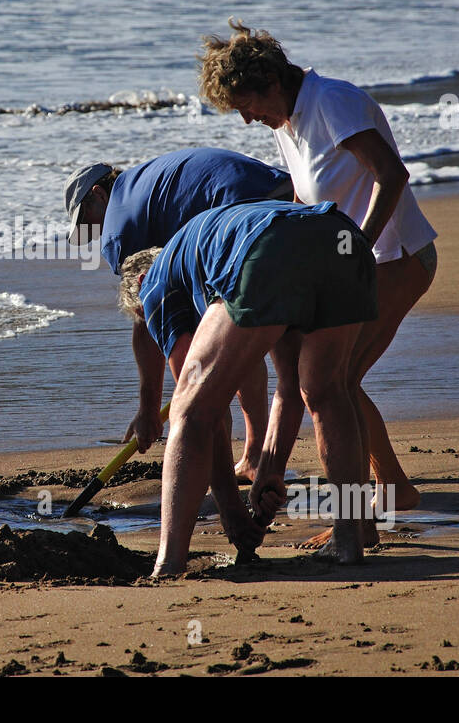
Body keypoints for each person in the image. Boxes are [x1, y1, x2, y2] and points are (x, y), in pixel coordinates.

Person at [197, 20, 438, 545]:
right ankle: (389, 489)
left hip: (396, 257)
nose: (245, 118)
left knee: (330, 386)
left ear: (269, 82)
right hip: (353, 269)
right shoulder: (289, 123)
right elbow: (306, 205)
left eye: (246, 104)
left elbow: (392, 175)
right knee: (333, 384)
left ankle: (363, 519)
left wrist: (356, 249)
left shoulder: (332, 102)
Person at [118, 200, 377, 575]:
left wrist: (231, 511)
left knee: (188, 410)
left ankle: (169, 561)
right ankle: (348, 541)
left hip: (270, 247)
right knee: (325, 391)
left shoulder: (157, 283)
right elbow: (288, 389)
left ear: (140, 285)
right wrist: (270, 466)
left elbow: (204, 415)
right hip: (342, 238)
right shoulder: (206, 252)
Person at [64, 147, 294, 481]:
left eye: (87, 222)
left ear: (99, 194)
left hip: (241, 215)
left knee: (224, 343)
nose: (95, 233)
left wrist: (148, 410)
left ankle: (230, 468)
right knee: (248, 332)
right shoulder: (144, 184)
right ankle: (255, 454)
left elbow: (148, 313)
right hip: (288, 198)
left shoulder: (119, 225)